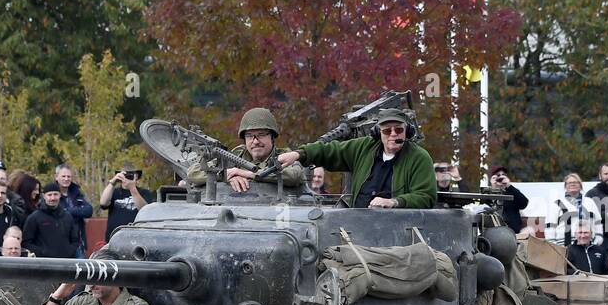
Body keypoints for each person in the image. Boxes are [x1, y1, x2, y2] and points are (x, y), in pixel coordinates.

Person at [277, 109, 437, 209]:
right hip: (358, 225)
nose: (393, 134)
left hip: (397, 229)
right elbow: (330, 151)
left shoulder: (419, 158)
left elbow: (426, 196)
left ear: (407, 132)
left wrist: (394, 202)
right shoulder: (364, 148)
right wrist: (298, 154)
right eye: (387, 131)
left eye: (399, 130)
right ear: (378, 133)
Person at [185, 107, 307, 193]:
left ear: (272, 137)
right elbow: (193, 172)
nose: (255, 141)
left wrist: (249, 174)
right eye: (249, 136)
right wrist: (226, 175)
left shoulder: (284, 156)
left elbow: (295, 176)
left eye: (261, 134)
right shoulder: (236, 156)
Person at [23, 182, 82, 258]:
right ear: (44, 196)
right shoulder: (34, 217)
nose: (53, 198)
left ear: (60, 195)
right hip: (43, 264)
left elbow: (75, 240)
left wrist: (68, 251)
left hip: (65, 263)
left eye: (55, 194)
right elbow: (26, 242)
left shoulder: (67, 217)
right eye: (49, 195)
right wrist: (42, 253)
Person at [99, 168, 155, 241]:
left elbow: (145, 210)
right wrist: (112, 182)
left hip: (137, 238)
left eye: (131, 174)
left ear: (137, 176)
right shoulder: (114, 192)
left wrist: (132, 188)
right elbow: (103, 203)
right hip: (114, 237)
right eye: (125, 174)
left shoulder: (145, 193)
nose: (127, 177)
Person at [54, 164, 93, 244]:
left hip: (79, 241)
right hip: (59, 242)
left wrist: (69, 211)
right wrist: (78, 212)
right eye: (63, 176)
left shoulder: (77, 192)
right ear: (56, 177)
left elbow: (89, 210)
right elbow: (57, 214)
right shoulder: (51, 194)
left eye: (69, 176)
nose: (66, 179)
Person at [551, 173, 593, 243]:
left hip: (586, 243)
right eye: (569, 183)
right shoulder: (557, 203)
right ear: (565, 186)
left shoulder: (589, 202)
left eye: (575, 182)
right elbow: (551, 227)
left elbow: (596, 224)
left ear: (580, 185)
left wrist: (595, 241)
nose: (572, 184)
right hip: (563, 244)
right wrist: (553, 245)